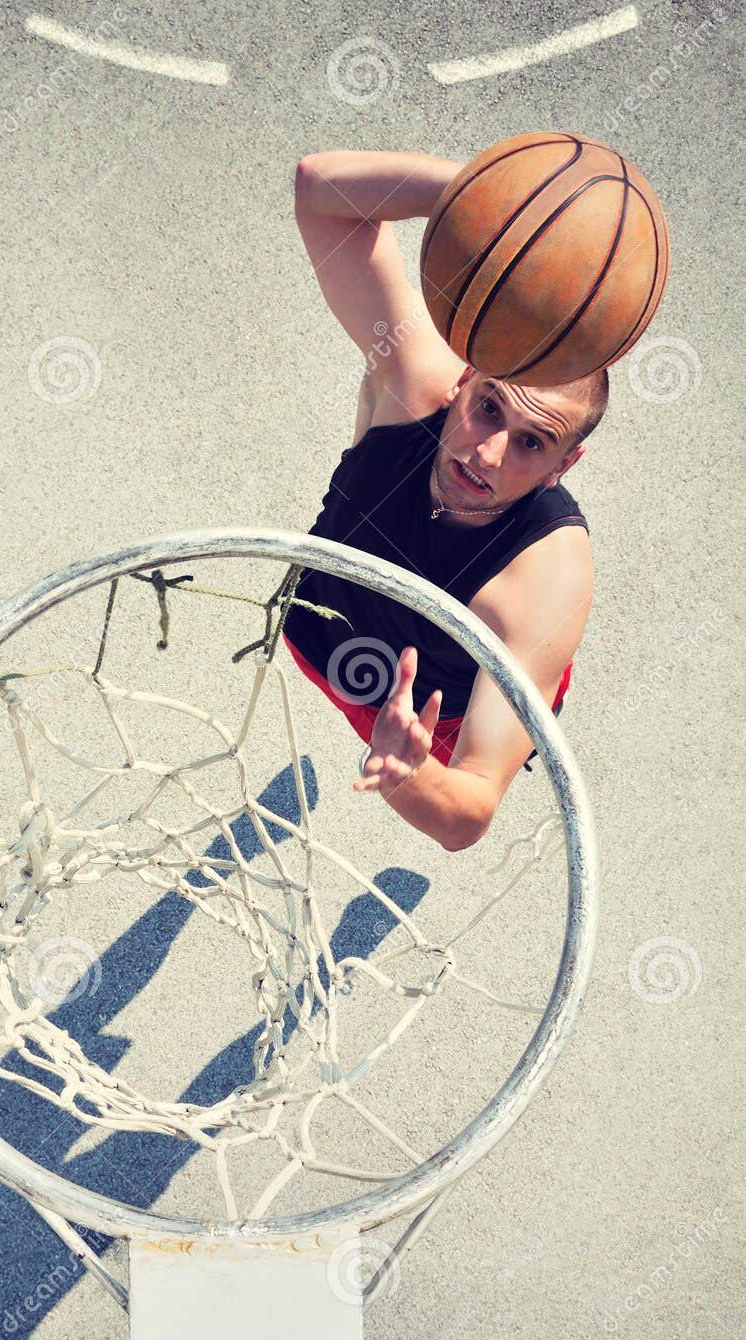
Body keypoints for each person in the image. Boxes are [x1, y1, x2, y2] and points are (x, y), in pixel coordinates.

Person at [284, 149, 606, 851]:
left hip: (438, 720)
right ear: (463, 379)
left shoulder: (544, 581)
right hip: (318, 632)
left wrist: (412, 775)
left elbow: (469, 810)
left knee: (497, 714)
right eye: (489, 407)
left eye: (532, 443)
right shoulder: (413, 384)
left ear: (563, 465)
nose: (487, 453)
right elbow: (321, 194)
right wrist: (493, 201)